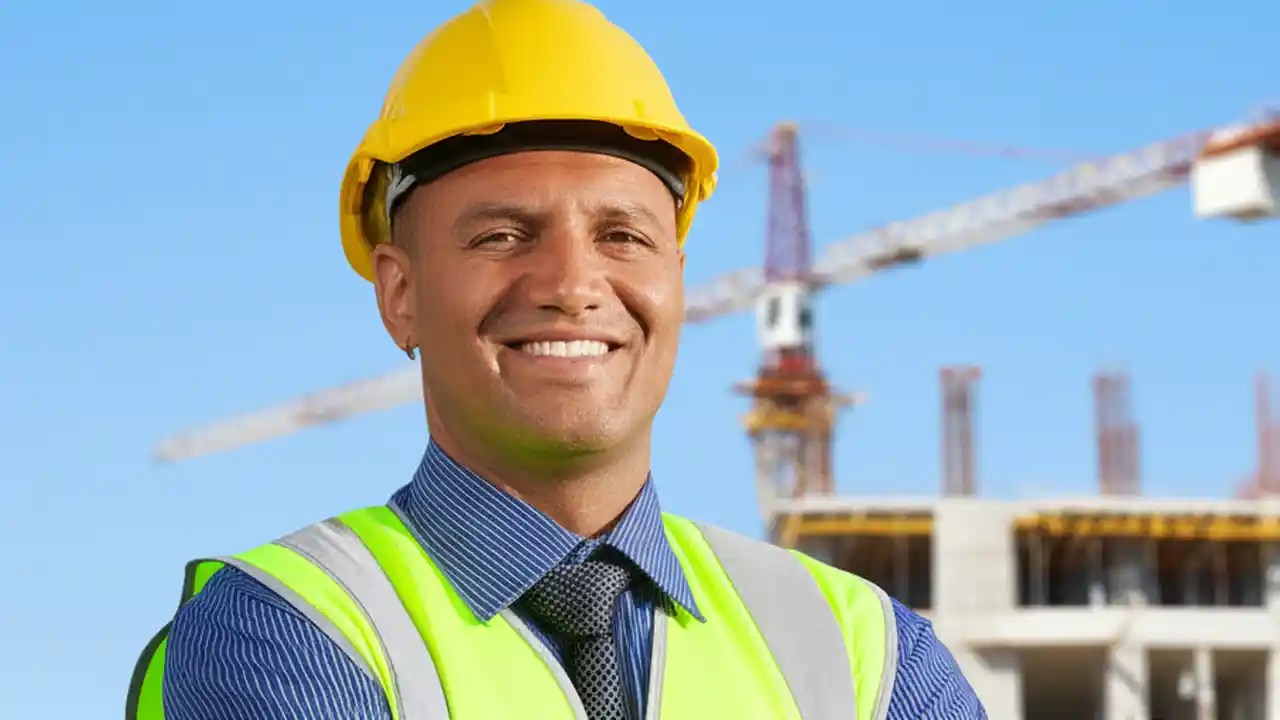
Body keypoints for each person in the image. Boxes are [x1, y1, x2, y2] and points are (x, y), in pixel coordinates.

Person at [127, 0, 987, 718]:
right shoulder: (284, 632)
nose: (575, 285)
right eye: (503, 236)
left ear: (676, 284)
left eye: (623, 235)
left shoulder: (863, 650)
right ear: (401, 295)